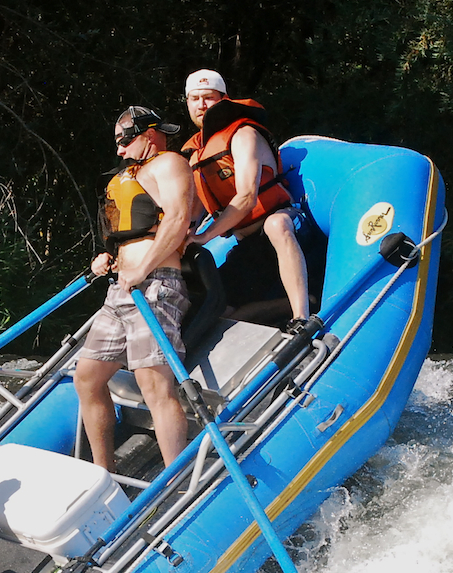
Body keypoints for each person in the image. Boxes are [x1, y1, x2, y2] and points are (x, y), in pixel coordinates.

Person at [74, 106, 194, 470]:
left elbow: (177, 218)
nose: (120, 150)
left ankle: (175, 476)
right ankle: (102, 471)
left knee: (154, 385)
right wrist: (107, 257)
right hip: (121, 289)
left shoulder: (169, 163)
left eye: (124, 140)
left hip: (156, 285)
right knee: (87, 378)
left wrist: (142, 267)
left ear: (150, 133)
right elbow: (126, 230)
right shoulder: (129, 174)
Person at [180, 69, 310, 329]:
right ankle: (287, 305)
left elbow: (248, 197)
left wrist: (206, 236)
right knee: (220, 312)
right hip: (249, 246)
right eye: (195, 99)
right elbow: (191, 214)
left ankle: (302, 317)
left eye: (209, 97)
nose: (201, 105)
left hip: (287, 224)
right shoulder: (195, 154)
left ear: (223, 99)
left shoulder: (243, 135)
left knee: (276, 225)